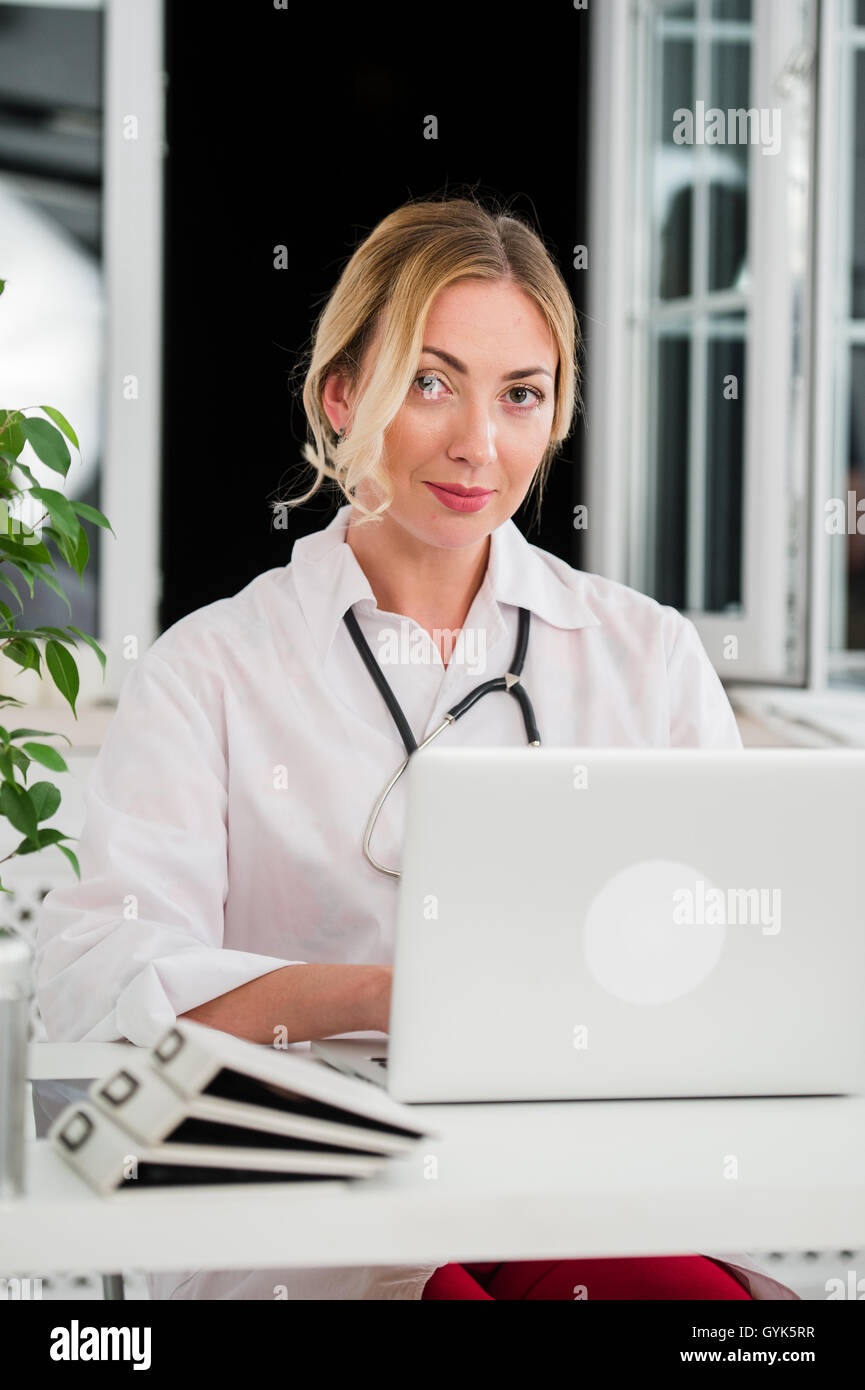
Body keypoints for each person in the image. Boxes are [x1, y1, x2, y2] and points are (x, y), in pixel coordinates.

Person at [35, 195, 800, 1301]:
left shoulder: (646, 656)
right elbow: (94, 982)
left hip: (570, 1177)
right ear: (344, 394)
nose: (476, 445)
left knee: (706, 1313)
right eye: (431, 382)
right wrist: (378, 995)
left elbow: (727, 972)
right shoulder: (213, 668)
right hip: (300, 1192)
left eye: (521, 395)